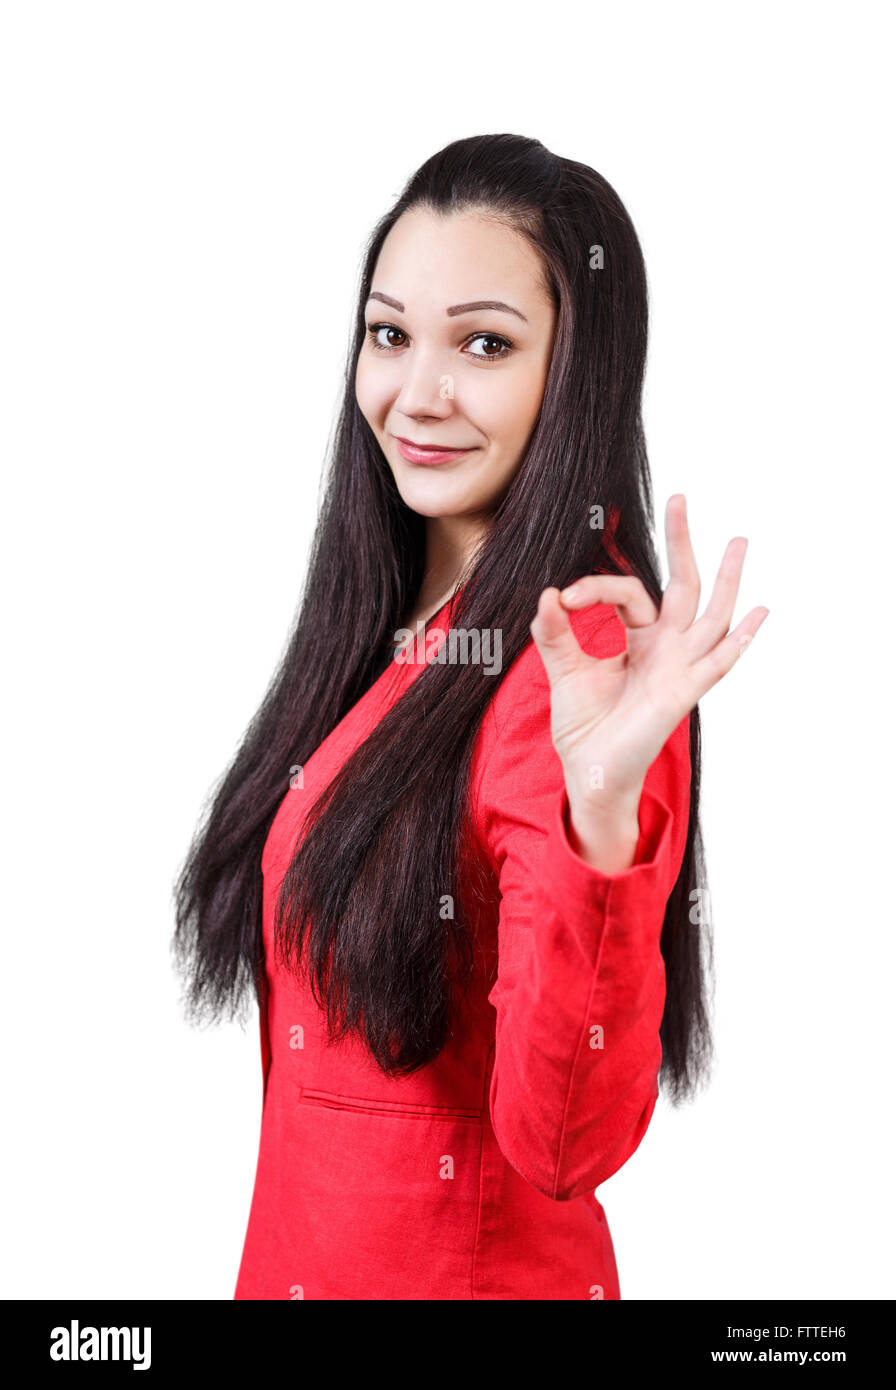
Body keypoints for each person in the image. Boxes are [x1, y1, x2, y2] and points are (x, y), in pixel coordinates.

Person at [174, 133, 768, 1300]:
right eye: (390, 334)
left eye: (484, 344)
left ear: (575, 371)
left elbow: (561, 1142)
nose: (417, 392)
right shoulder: (391, 626)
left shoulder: (575, 659)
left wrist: (600, 812)